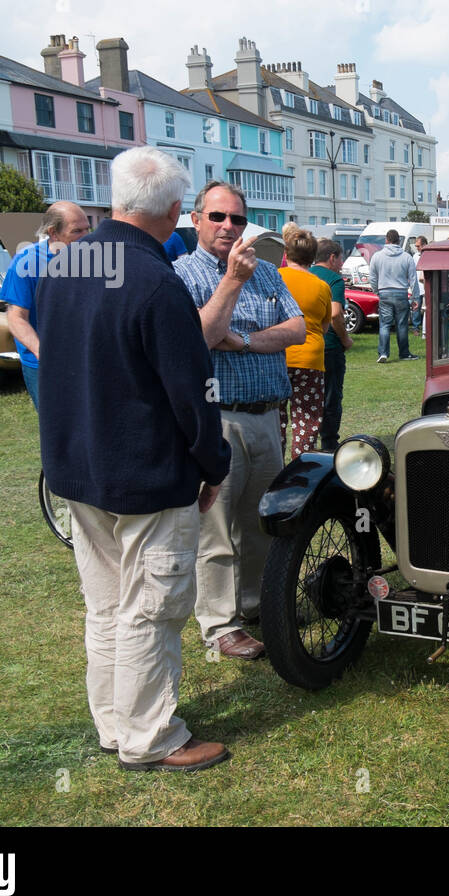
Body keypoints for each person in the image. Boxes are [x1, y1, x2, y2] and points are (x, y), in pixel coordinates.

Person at [36, 146, 232, 772]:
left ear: (116, 201)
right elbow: (191, 388)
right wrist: (212, 461)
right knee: (151, 605)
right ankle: (150, 736)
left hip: (79, 467)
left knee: (109, 605)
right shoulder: (156, 282)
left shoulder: (64, 266)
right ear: (177, 212)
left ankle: (117, 725)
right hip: (142, 472)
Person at [175, 181, 307, 661]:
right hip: (218, 417)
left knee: (260, 521)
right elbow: (202, 336)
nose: (228, 226)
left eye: (236, 218)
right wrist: (229, 285)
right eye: (217, 217)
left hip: (267, 415)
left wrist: (245, 340)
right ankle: (219, 623)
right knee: (215, 529)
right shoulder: (182, 274)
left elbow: (297, 329)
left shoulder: (268, 272)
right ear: (195, 220)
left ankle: (254, 604)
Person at [0, 201, 89, 409]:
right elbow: (16, 317)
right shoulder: (26, 263)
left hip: (85, 360)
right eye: (77, 231)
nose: (86, 236)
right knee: (58, 427)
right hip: (44, 365)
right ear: (53, 233)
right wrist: (42, 351)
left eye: (87, 229)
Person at [279, 224, 332, 458]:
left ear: (286, 252)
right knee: (306, 422)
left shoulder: (275, 278)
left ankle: (272, 466)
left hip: (278, 354)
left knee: (275, 418)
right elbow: (324, 325)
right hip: (310, 359)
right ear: (312, 256)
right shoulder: (322, 286)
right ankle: (301, 469)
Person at [313, 238, 355, 451]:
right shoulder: (334, 279)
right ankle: (329, 443)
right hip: (329, 346)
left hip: (302, 344)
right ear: (332, 257)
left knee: (308, 397)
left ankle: (307, 441)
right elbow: (336, 313)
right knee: (331, 397)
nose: (341, 264)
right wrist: (345, 339)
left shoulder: (304, 273)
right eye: (340, 259)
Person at [369, 228, 419, 362]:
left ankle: (383, 353)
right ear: (398, 241)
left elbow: (372, 278)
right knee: (402, 325)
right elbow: (413, 279)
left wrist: (377, 291)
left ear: (386, 240)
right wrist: (415, 297)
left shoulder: (377, 256)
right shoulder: (407, 257)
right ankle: (404, 353)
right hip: (401, 293)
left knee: (384, 324)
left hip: (384, 292)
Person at [410, 235, 428, 333]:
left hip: (426, 286)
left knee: (426, 309)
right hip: (417, 286)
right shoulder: (415, 256)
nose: (417, 248)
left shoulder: (429, 254)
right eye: (416, 246)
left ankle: (427, 328)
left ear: (424, 245)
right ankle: (416, 328)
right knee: (416, 308)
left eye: (418, 246)